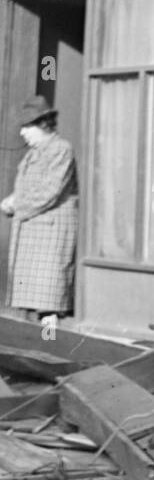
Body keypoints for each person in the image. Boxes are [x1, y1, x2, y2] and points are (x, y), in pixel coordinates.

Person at [1, 96, 78, 323]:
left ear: (43, 125)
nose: (23, 133)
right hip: (36, 237)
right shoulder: (35, 153)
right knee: (36, 304)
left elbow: (49, 191)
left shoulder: (60, 149)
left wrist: (17, 204)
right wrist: (13, 199)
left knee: (48, 306)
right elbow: (32, 188)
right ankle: (40, 349)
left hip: (49, 238)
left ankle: (49, 347)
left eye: (27, 127)